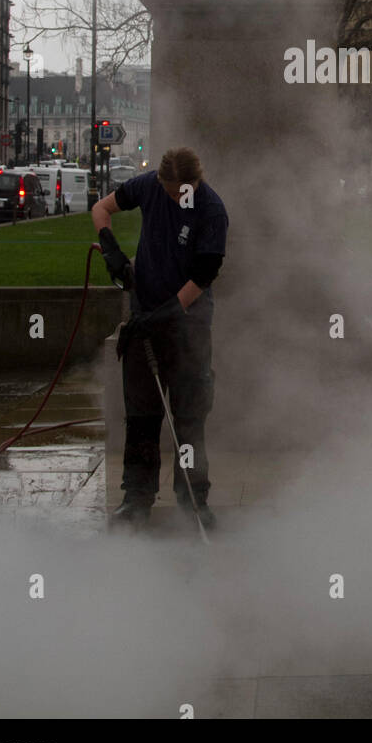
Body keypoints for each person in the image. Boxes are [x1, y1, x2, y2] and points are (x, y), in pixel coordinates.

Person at [92, 147, 229, 530]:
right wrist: (111, 249)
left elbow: (205, 272)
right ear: (160, 182)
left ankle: (193, 498)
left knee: (188, 419)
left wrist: (170, 313)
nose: (177, 198)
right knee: (141, 418)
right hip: (142, 320)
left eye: (183, 191)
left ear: (197, 182)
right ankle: (136, 498)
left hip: (189, 326)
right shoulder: (147, 186)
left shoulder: (211, 209)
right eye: (171, 192)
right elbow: (100, 209)